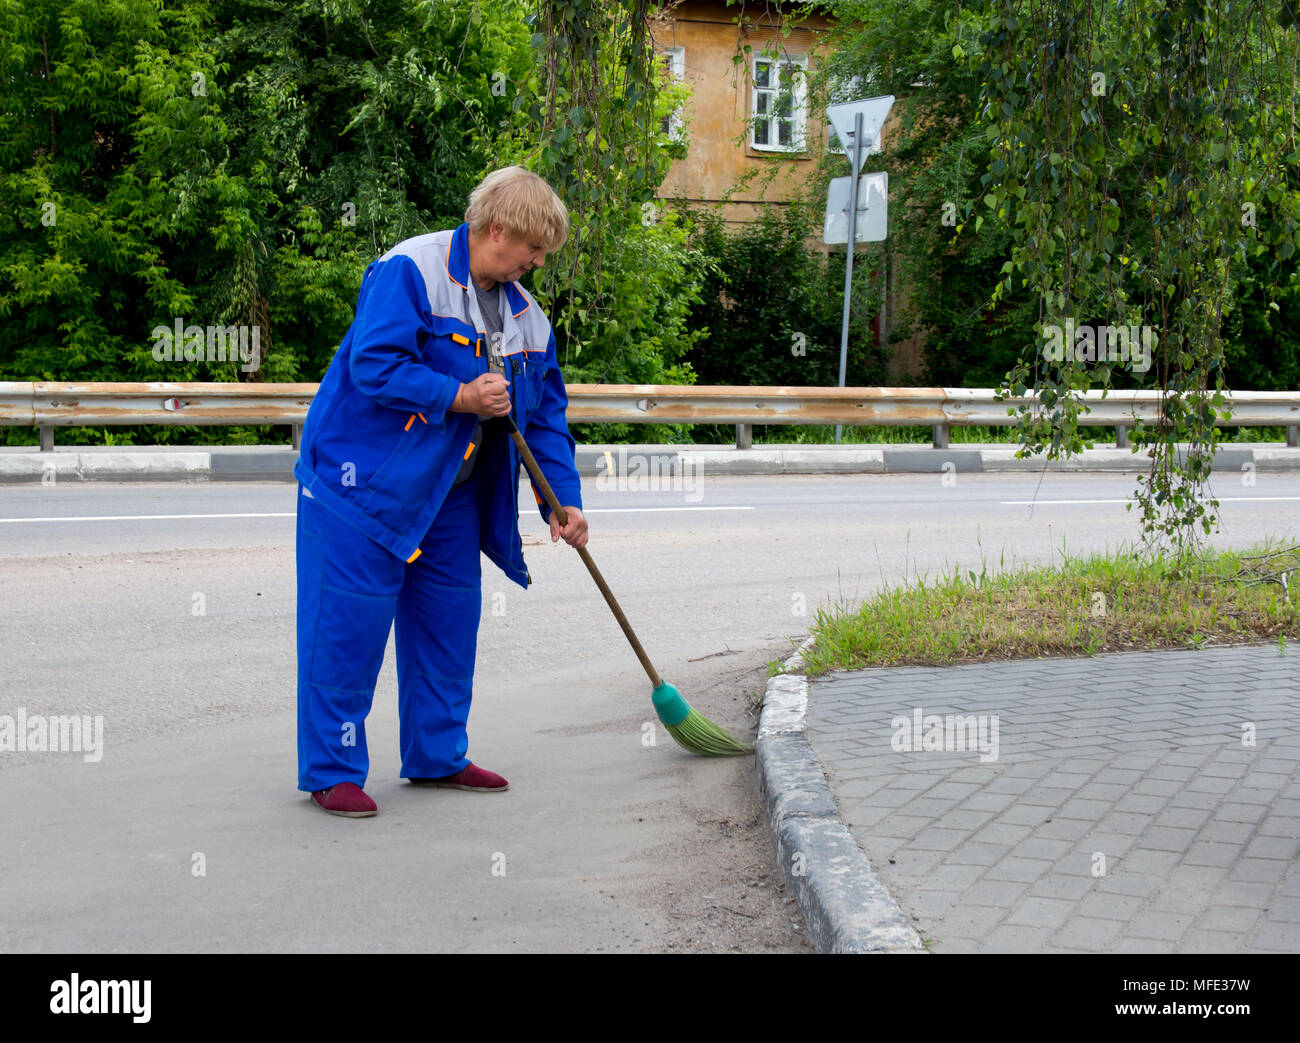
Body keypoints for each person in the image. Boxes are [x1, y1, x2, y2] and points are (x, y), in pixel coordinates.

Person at [293, 166, 588, 817]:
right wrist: (457, 395)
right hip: (362, 483)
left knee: (448, 625)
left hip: (449, 499)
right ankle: (332, 768)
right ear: (498, 230)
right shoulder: (411, 270)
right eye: (534, 248)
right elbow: (374, 364)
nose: (539, 262)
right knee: (347, 629)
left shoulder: (529, 322)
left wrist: (560, 502)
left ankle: (436, 754)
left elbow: (543, 422)